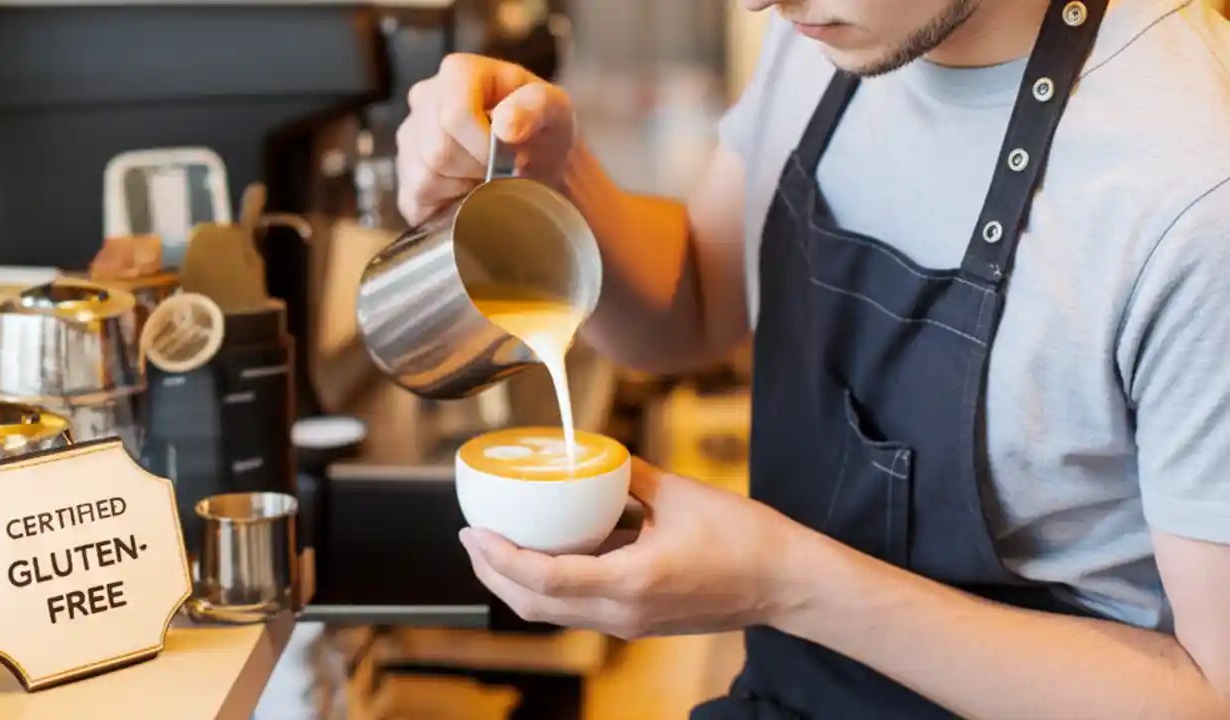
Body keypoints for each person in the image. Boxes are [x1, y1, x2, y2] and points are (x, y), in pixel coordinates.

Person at [395, 0, 1230, 716]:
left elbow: (1210, 695)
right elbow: (694, 306)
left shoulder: (1191, 189)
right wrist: (554, 177)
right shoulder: (827, 35)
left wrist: (784, 581)